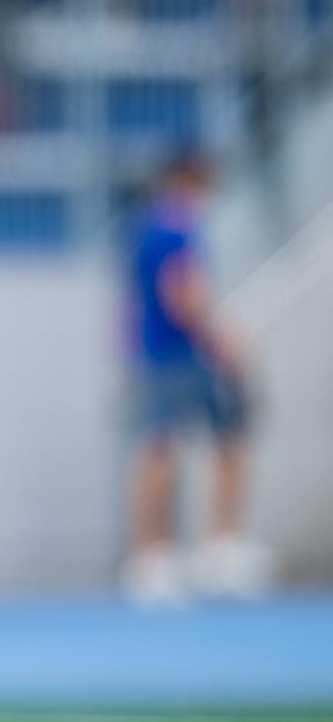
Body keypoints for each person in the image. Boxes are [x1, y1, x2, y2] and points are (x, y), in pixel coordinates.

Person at [122, 150, 268, 605]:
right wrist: (221, 340)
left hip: (156, 352)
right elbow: (181, 294)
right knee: (193, 448)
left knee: (173, 448)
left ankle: (164, 556)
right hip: (182, 354)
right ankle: (201, 551)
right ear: (188, 178)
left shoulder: (145, 228)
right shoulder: (175, 228)